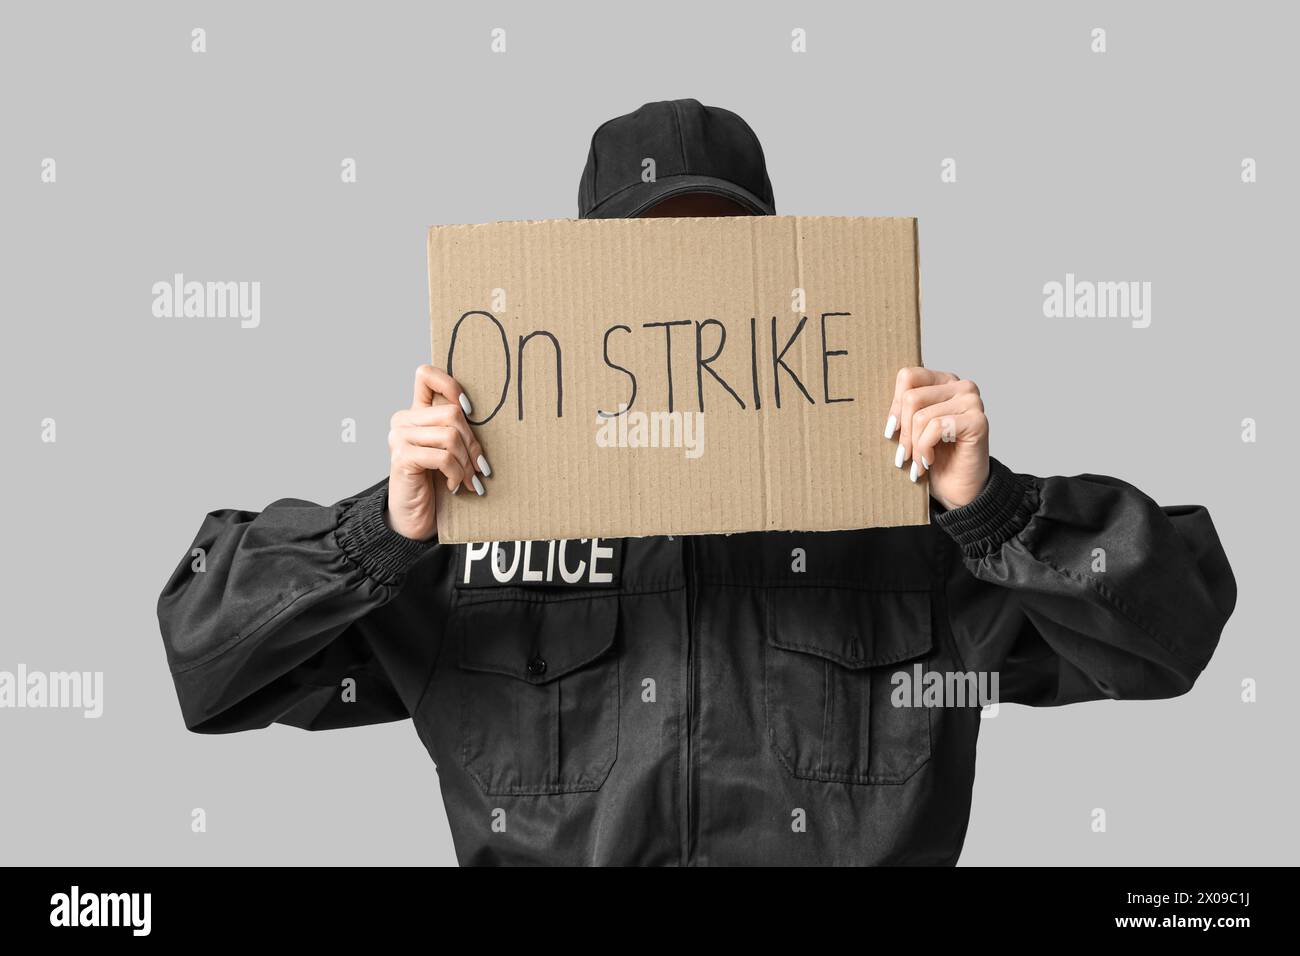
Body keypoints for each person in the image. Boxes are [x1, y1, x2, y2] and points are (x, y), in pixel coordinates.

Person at [156, 98, 1237, 866]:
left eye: (720, 270)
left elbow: (1173, 630)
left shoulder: (904, 532)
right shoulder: (474, 544)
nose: (683, 320)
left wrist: (992, 505)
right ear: (575, 300)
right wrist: (376, 536)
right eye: (642, 277)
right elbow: (209, 664)